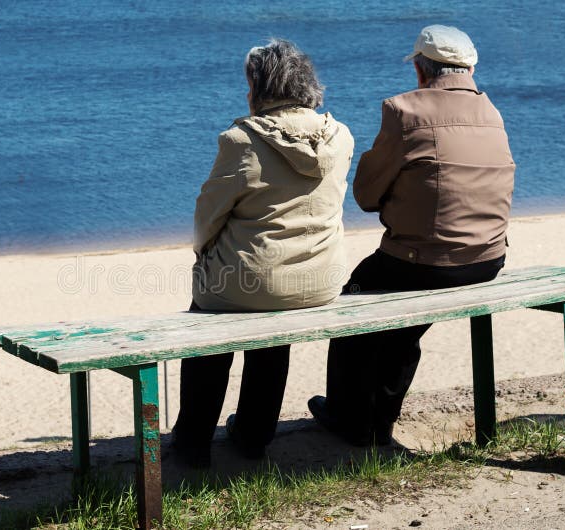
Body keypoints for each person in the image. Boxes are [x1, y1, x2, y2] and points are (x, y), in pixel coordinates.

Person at [309, 25, 515, 446]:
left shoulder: (406, 111)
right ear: (470, 68)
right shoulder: (493, 113)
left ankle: (351, 420)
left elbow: (366, 195)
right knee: (405, 327)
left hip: (427, 262)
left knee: (355, 301)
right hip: (488, 259)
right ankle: (379, 420)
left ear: (421, 71)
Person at [172, 39, 354, 466]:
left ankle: (193, 442)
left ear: (260, 86)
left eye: (248, 84)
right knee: (275, 315)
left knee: (210, 320)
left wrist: (203, 255)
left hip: (251, 283)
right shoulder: (340, 137)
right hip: (321, 281)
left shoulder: (241, 140)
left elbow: (207, 217)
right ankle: (254, 434)